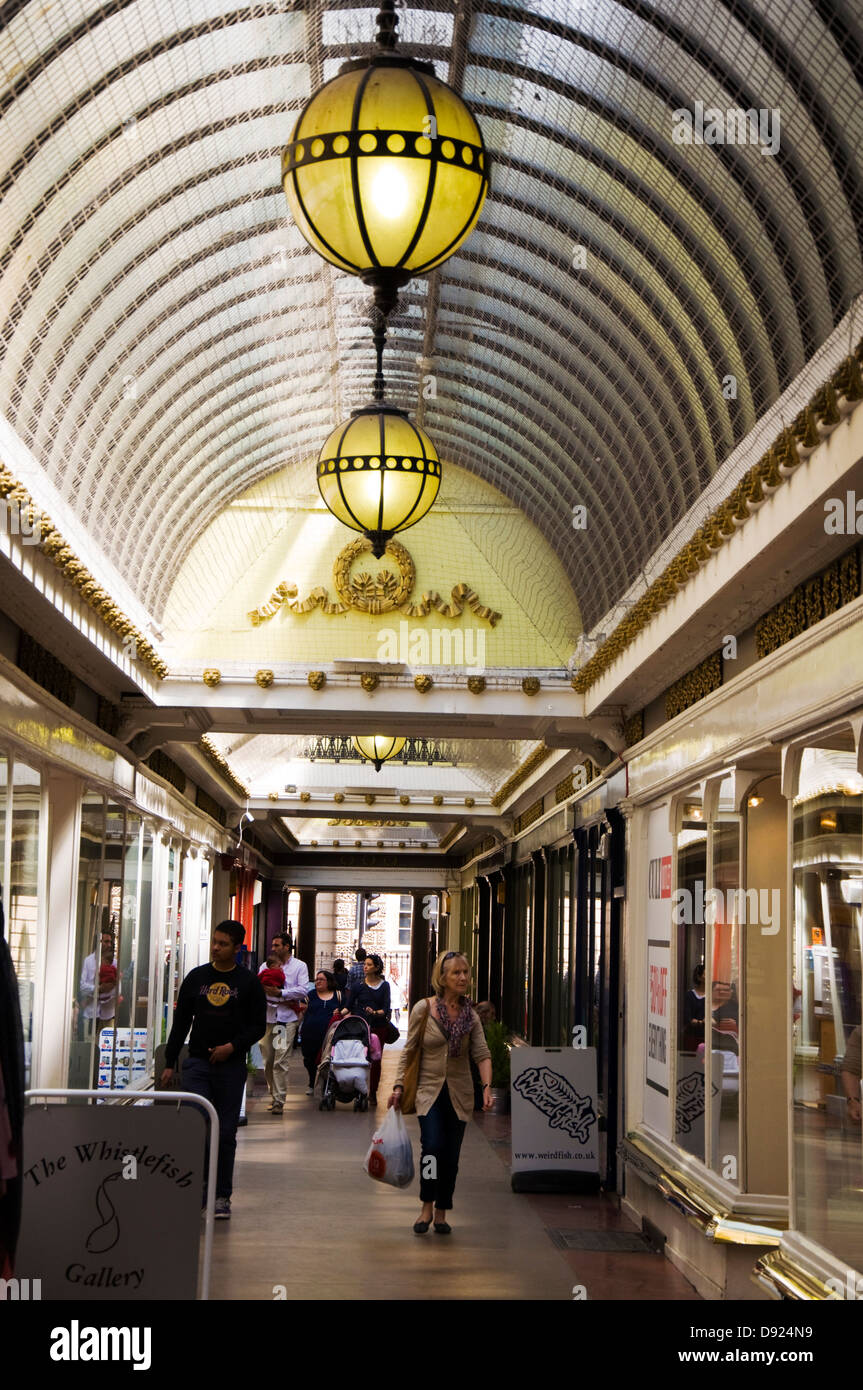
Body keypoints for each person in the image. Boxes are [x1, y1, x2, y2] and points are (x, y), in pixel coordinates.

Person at [159, 921, 266, 1220]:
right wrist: (170, 1062)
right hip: (197, 1065)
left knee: (226, 1133)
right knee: (200, 1125)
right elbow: (181, 1022)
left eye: (222, 944)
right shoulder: (197, 978)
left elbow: (258, 1025)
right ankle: (199, 1188)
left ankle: (221, 1195)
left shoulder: (248, 983)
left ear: (236, 948)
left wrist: (233, 1046)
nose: (215, 948)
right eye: (215, 942)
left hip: (231, 1068)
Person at [390, 951, 492, 1235]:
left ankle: (442, 1211)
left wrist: (486, 1087)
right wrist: (398, 1085)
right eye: (456, 973)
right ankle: (426, 1205)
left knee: (451, 1156)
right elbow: (409, 1051)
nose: (462, 977)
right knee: (432, 1148)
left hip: (460, 1094)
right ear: (442, 977)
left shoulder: (471, 1016)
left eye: (465, 972)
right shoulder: (424, 1008)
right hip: (428, 1091)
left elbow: (482, 1053)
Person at [258, 934, 309, 1114]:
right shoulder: (265, 966)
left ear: (287, 947)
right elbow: (258, 987)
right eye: (273, 945)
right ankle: (274, 1094)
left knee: (280, 1059)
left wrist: (281, 994)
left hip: (284, 1020)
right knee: (268, 1060)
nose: (273, 948)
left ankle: (279, 1100)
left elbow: (303, 990)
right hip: (269, 1019)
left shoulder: (299, 966)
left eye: (277, 945)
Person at [347, 953, 390, 1104]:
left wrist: (376, 1012)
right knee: (360, 1058)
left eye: (369, 964)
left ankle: (373, 1092)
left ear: (377, 967)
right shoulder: (358, 985)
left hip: (379, 1026)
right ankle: (360, 1089)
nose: (365, 966)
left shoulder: (384, 986)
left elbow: (386, 1008)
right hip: (361, 1025)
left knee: (376, 1059)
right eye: (365, 964)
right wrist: (340, 1012)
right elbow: (349, 1005)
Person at [301, 970, 347, 1094]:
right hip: (309, 1034)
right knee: (309, 1059)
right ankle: (311, 1082)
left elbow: (347, 1011)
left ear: (329, 981)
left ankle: (326, 1084)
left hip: (330, 1036)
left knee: (327, 1059)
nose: (317, 982)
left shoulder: (338, 995)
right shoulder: (310, 995)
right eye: (316, 979)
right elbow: (301, 1011)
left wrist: (340, 1013)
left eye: (321, 979)